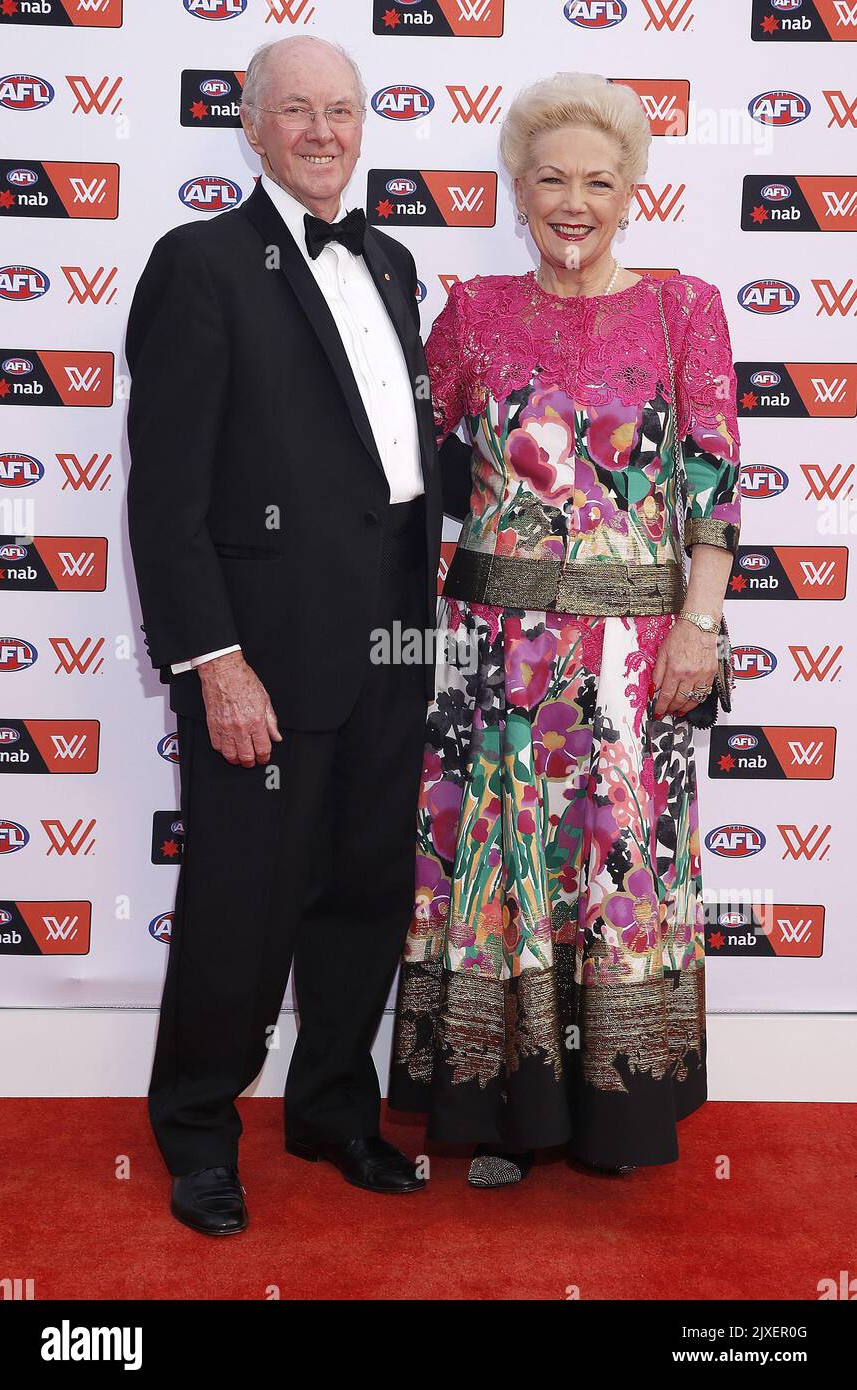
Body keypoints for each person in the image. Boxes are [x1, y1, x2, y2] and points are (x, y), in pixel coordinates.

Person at [388, 71, 742, 1187]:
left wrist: (700, 625)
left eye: (598, 178)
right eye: (550, 178)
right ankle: (500, 1112)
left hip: (636, 663)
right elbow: (396, 462)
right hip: (492, 660)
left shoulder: (683, 310)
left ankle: (613, 1116)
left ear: (633, 190)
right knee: (499, 875)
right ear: (517, 188)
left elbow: (715, 488)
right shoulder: (473, 313)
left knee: (618, 871)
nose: (573, 200)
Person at [126, 35, 443, 1234]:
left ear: (365, 126)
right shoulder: (198, 265)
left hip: (394, 643)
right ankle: (200, 1132)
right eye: (294, 110)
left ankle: (330, 1111)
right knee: (238, 902)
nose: (322, 131)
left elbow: (390, 467)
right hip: (261, 652)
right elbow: (165, 498)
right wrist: (214, 659)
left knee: (364, 892)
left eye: (342, 110)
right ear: (248, 128)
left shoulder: (396, 261)